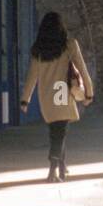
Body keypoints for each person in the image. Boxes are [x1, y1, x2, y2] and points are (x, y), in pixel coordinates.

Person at [19, 12, 94, 182]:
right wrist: (89, 92)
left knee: (58, 130)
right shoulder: (69, 45)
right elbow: (82, 69)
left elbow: (32, 76)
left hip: (46, 95)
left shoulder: (38, 50)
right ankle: (53, 170)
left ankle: (62, 166)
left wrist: (25, 99)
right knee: (59, 132)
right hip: (61, 93)